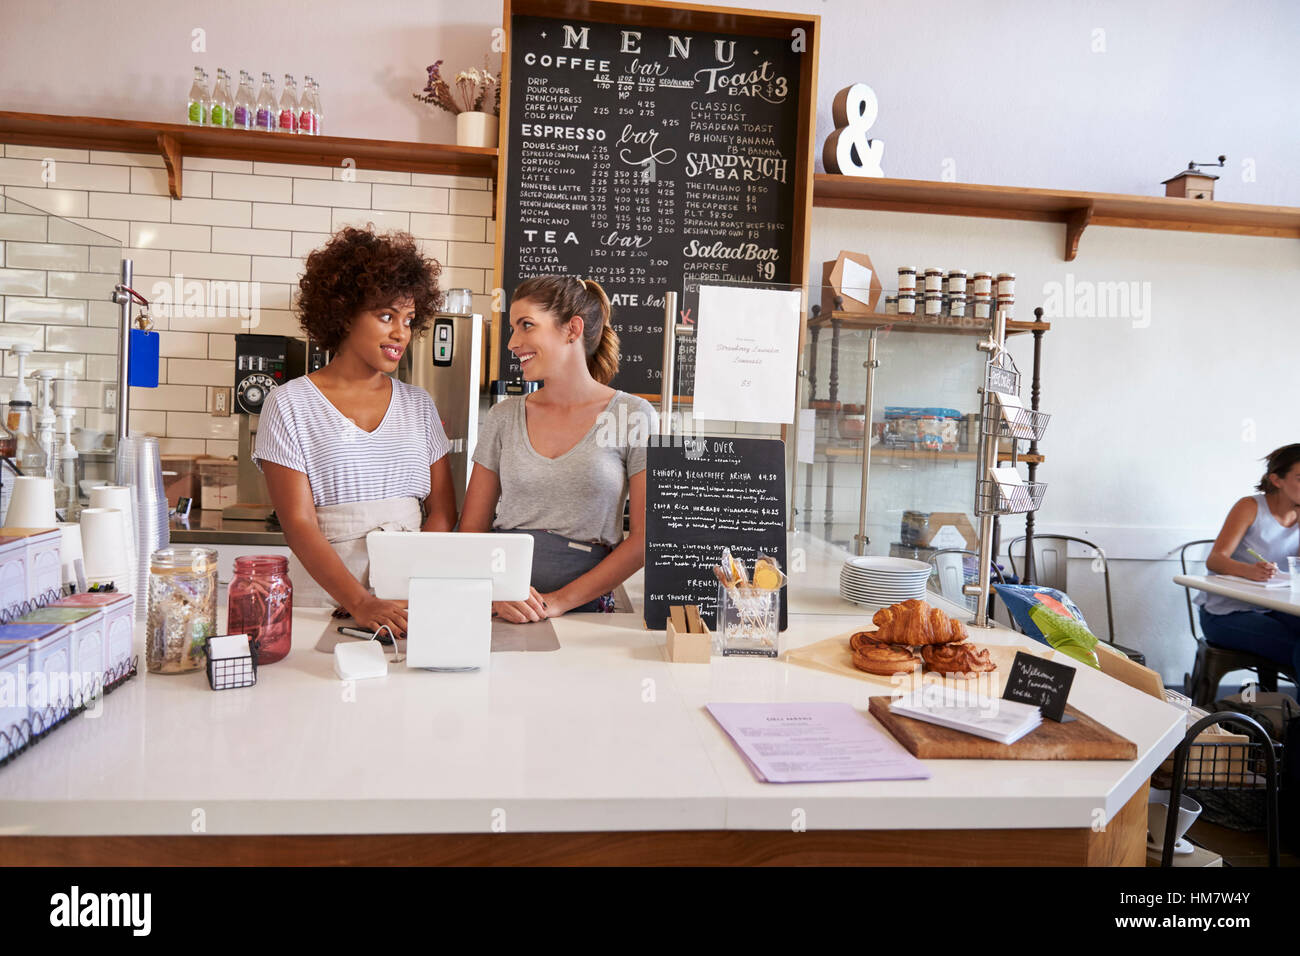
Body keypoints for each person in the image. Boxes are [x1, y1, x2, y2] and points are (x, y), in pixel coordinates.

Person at [253, 226, 458, 638]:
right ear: (344, 313)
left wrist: (404, 586)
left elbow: (442, 513)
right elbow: (298, 522)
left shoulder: (418, 405)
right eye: (386, 315)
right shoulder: (290, 404)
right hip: (326, 603)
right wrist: (361, 602)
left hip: (406, 601)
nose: (401, 332)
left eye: (408, 319)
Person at [460, 275, 656, 622]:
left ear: (572, 329)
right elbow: (471, 531)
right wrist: (497, 594)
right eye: (513, 328)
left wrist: (558, 601)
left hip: (588, 613)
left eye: (526, 326)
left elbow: (644, 539)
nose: (512, 342)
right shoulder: (505, 416)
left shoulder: (632, 415)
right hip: (504, 606)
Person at [1198, 443, 1300, 684]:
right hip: (1224, 614)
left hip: (1272, 608)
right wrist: (1249, 571)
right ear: (1277, 480)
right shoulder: (1250, 507)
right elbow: (1215, 559)